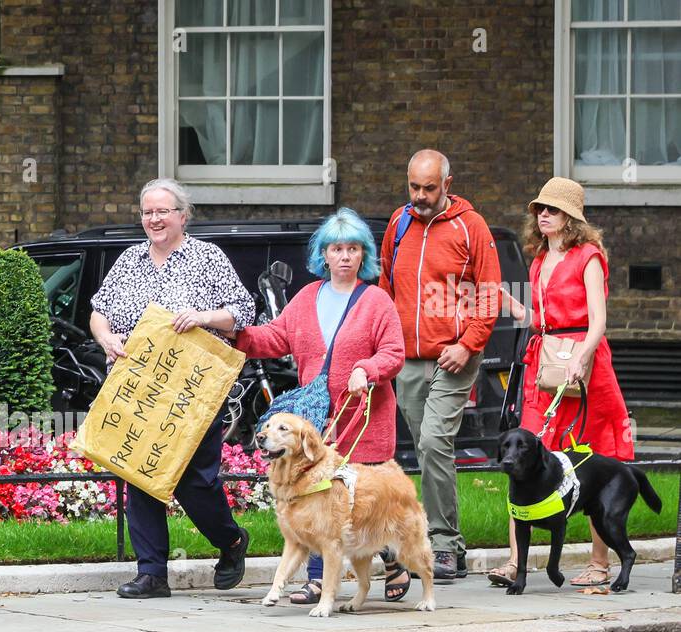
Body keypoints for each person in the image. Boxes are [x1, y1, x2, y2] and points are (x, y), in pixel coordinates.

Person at [89, 178, 254, 599]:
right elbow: (99, 311)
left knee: (194, 481)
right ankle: (152, 573)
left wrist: (201, 316)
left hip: (193, 390)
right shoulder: (129, 261)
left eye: (163, 211)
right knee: (139, 470)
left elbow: (243, 311)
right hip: (139, 387)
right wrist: (106, 338)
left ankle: (231, 541)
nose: (154, 219)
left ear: (183, 215)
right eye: (148, 212)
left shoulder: (207, 258)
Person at [236, 208, 407, 603]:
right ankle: (317, 580)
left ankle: (393, 557)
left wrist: (368, 368)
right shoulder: (307, 298)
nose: (344, 256)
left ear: (363, 254)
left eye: (352, 248)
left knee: (366, 499)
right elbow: (274, 338)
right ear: (323, 255)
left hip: (364, 419)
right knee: (320, 496)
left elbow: (394, 352)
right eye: (336, 248)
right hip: (318, 424)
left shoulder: (376, 301)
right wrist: (236, 333)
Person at [488, 177, 634, 589]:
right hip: (547, 364)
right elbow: (540, 320)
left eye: (552, 209)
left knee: (591, 459)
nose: (543, 214)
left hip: (586, 367)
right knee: (525, 454)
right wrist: (510, 302)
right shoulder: (538, 259)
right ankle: (516, 562)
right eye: (540, 209)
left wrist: (582, 358)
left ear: (571, 217)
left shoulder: (589, 257)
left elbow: (598, 321)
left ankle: (600, 564)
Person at [381, 150, 501, 582]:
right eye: (414, 186)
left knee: (433, 443)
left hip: (454, 356)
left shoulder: (472, 227)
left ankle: (446, 544)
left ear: (447, 184)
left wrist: (468, 345)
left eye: (429, 188)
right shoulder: (399, 222)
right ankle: (440, 544)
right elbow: (386, 286)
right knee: (426, 448)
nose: (420, 196)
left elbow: (489, 294)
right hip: (407, 359)